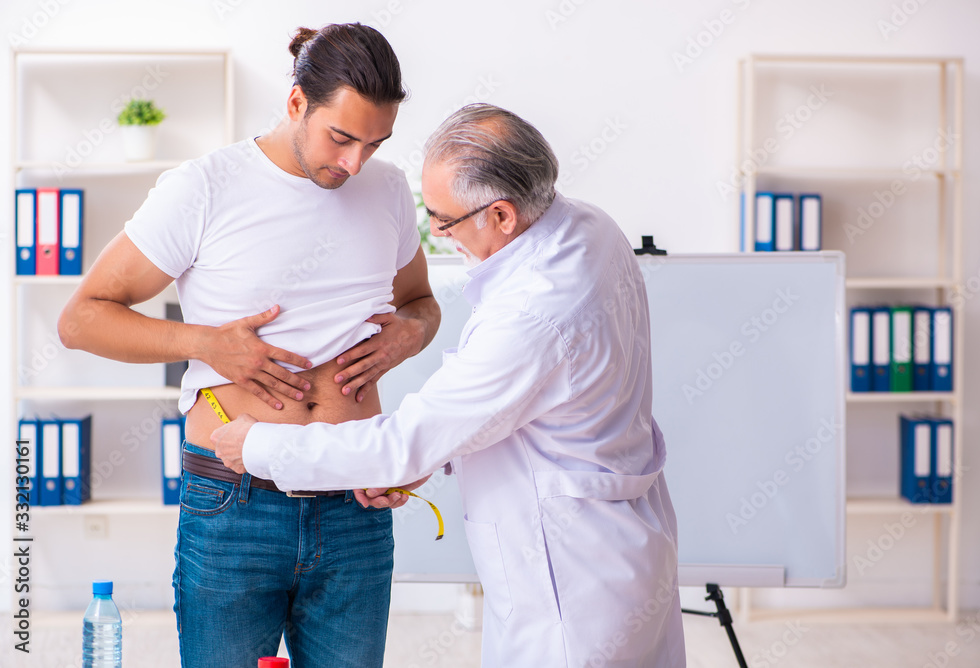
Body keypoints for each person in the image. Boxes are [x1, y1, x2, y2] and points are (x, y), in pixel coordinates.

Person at [212, 103, 686, 668]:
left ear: (503, 215)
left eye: (445, 220)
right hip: (620, 549)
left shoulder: (535, 313)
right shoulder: (590, 228)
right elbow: (513, 406)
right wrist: (421, 458)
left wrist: (258, 446)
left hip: (570, 587)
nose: (435, 233)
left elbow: (405, 440)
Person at [57, 23, 440, 668]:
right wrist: (209, 344)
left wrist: (410, 335)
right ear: (296, 103)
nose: (354, 164)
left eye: (375, 144)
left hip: (355, 501)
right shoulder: (203, 187)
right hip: (237, 505)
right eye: (341, 138)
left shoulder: (390, 191)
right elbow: (83, 318)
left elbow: (420, 305)